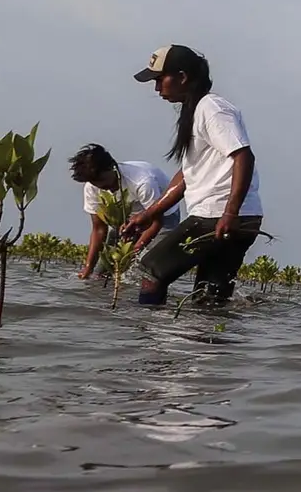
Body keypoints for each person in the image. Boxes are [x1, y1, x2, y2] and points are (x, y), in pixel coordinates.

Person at [121, 45, 264, 306]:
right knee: (208, 298)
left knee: (151, 269)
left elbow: (243, 156)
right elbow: (188, 176)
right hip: (237, 217)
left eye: (159, 79)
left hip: (218, 216)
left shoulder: (212, 108)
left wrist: (230, 213)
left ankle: (144, 338)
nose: (157, 89)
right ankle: (207, 345)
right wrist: (149, 214)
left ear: (183, 77)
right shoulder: (196, 110)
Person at [69, 144, 174, 280]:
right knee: (99, 275)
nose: (102, 187)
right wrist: (87, 269)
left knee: (147, 267)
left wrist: (133, 252)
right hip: (129, 219)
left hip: (163, 215)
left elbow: (157, 221)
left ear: (112, 168)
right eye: (96, 183)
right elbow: (99, 229)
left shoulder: (142, 181)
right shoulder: (92, 187)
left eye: (103, 181)